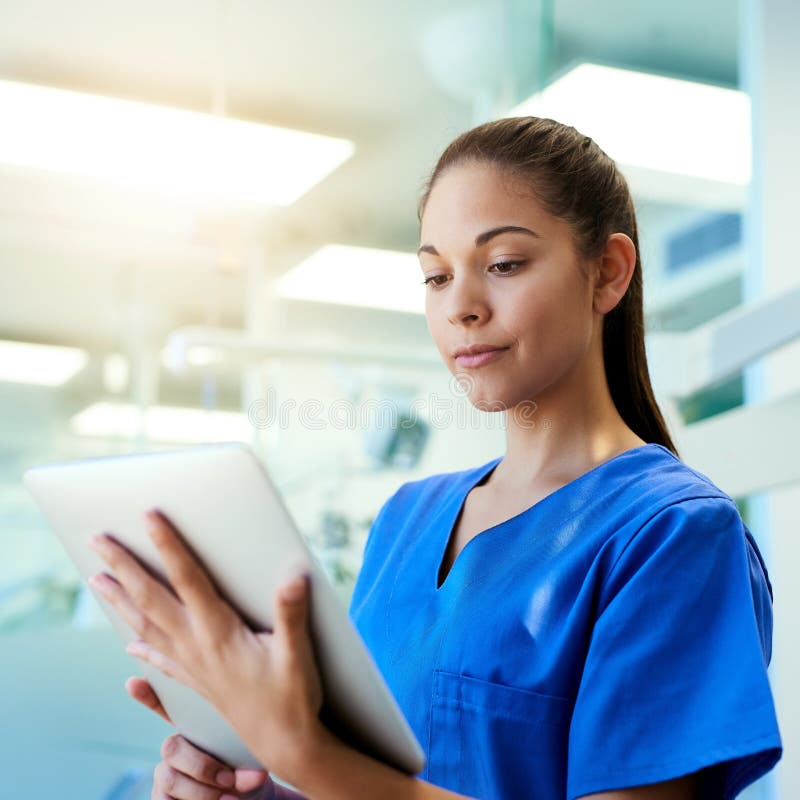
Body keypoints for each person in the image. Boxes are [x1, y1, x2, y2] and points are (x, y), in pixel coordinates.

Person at [90, 116, 782, 800]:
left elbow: (351, 777)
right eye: (436, 277)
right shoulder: (406, 522)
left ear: (607, 272)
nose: (462, 307)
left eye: (503, 264)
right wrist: (262, 793)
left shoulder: (670, 535)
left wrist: (306, 755)